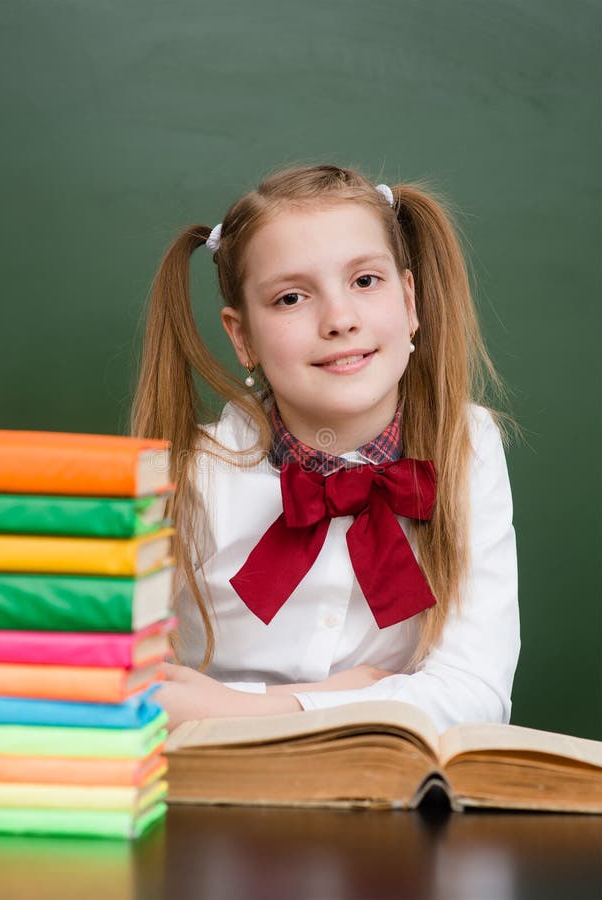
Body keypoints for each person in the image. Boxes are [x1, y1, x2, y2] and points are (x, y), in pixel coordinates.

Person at [131, 163, 520, 733]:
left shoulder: (467, 446)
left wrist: (253, 706)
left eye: (365, 281)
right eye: (291, 297)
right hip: (210, 776)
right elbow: (138, 690)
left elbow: (475, 694)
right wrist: (348, 695)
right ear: (243, 337)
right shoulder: (185, 475)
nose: (339, 319)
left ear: (410, 301)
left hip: (387, 781)